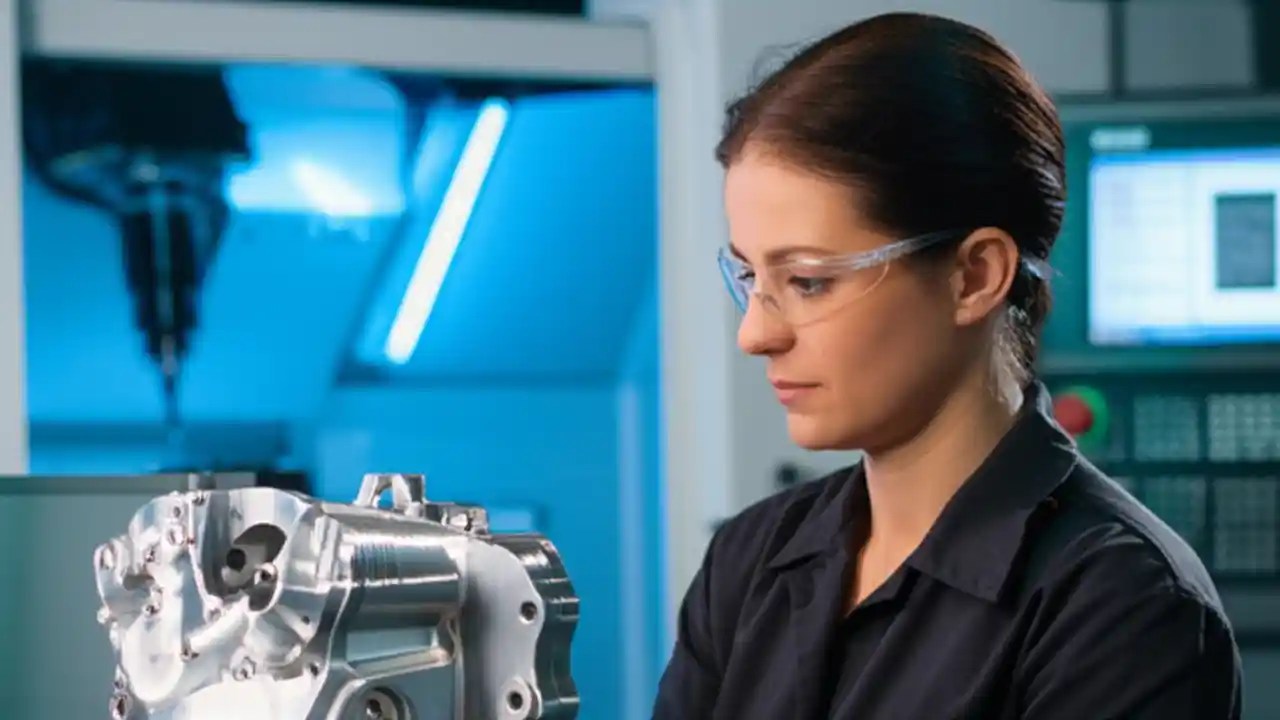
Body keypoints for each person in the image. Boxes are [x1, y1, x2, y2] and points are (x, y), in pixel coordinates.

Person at [652, 12, 1243, 720]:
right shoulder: (748, 564)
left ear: (974, 277)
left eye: (808, 281)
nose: (755, 333)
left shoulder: (1124, 607)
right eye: (751, 277)